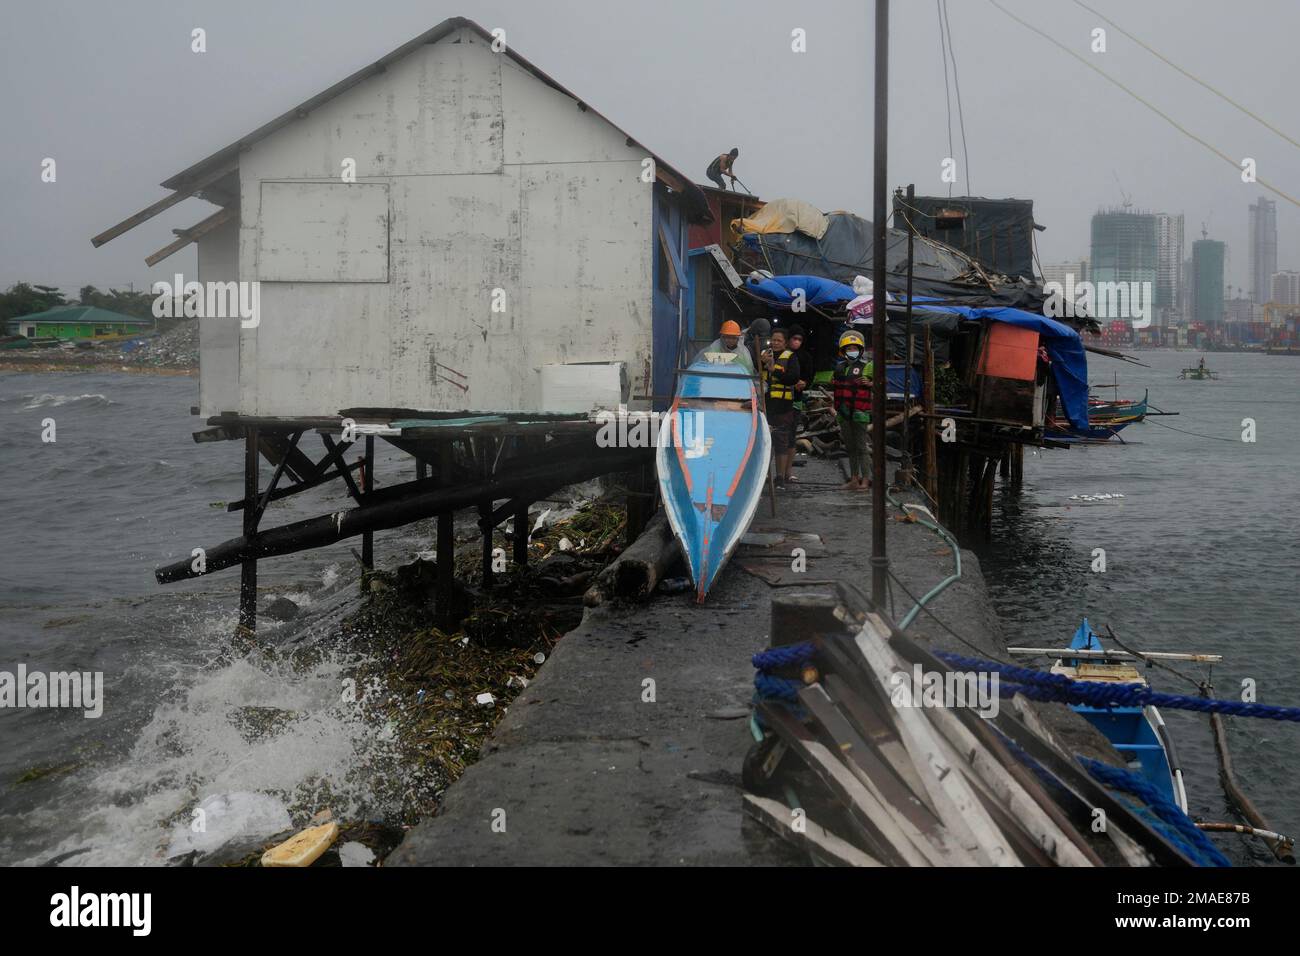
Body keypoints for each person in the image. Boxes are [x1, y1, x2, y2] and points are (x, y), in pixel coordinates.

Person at [832, 329, 873, 491]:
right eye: (848, 349)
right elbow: (835, 385)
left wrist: (871, 384)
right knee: (850, 448)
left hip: (860, 413)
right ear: (843, 352)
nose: (852, 351)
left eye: (854, 348)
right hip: (843, 413)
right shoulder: (839, 368)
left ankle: (865, 480)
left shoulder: (868, 366)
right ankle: (854, 479)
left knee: (862, 447)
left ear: (860, 350)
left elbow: (882, 383)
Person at [761, 327, 800, 488]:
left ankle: (780, 477)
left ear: (785, 343)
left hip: (783, 407)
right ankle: (763, 476)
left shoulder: (791, 357)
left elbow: (793, 378)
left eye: (779, 340)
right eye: (773, 340)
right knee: (764, 443)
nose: (775, 343)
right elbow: (755, 375)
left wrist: (774, 370)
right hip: (764, 406)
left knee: (781, 442)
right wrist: (761, 363)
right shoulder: (763, 356)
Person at [786, 325, 808, 483]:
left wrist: (804, 382)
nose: (796, 342)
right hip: (778, 401)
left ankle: (787, 473)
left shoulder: (805, 357)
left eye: (799, 339)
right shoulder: (781, 355)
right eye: (794, 338)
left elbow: (809, 375)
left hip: (796, 400)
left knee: (791, 436)